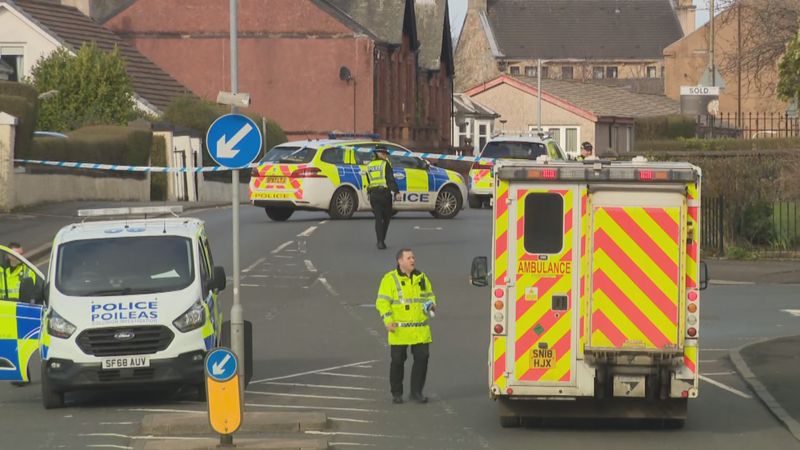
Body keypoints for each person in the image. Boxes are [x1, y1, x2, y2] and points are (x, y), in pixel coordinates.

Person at [375, 248, 436, 404]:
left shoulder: (422, 277)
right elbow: (382, 302)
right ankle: (397, 393)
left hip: (419, 328)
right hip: (399, 329)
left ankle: (416, 392)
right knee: (397, 361)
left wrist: (430, 305)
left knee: (422, 358)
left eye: (413, 257)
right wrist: (388, 320)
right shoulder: (389, 279)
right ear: (400, 261)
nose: (412, 260)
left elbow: (429, 295)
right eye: (408, 258)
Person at [366, 146, 400, 250]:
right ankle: (381, 240)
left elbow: (368, 180)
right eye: (384, 153)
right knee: (386, 218)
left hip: (373, 195)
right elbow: (390, 179)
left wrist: (369, 192)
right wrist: (396, 192)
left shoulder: (369, 165)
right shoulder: (385, 164)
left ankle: (380, 241)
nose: (385, 155)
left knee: (378, 218)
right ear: (378, 153)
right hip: (384, 194)